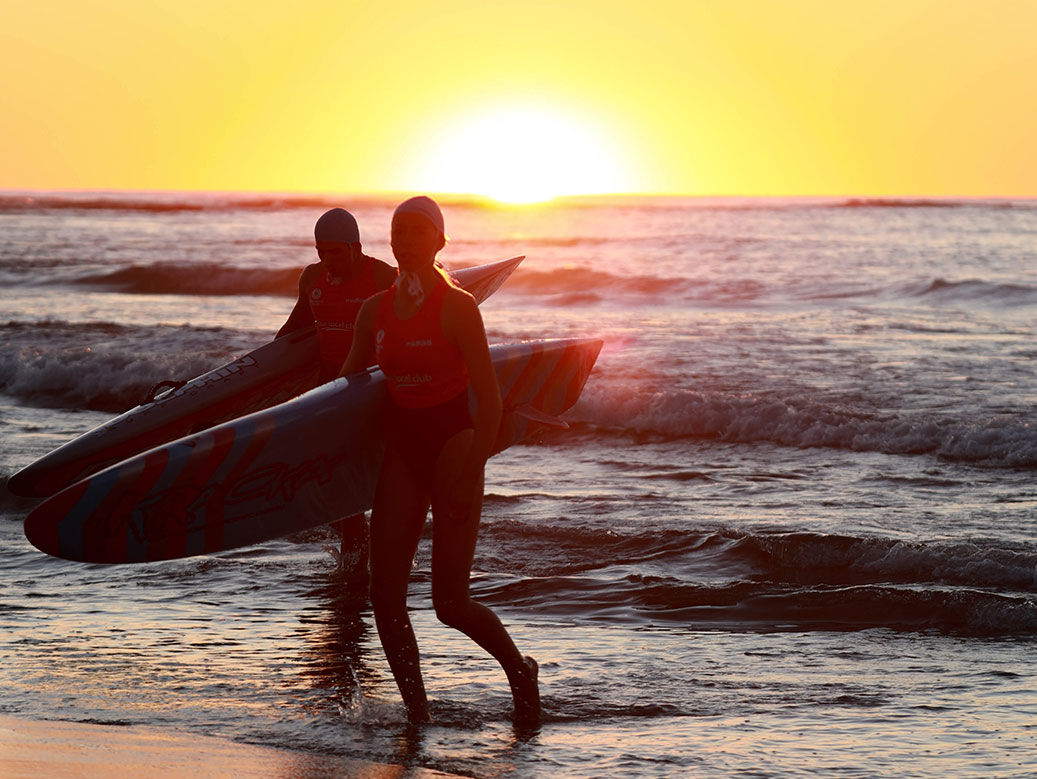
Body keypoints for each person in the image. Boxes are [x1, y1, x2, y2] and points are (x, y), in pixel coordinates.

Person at [338, 196, 540, 727]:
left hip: (455, 445)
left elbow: (490, 400)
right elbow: (343, 389)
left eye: (416, 230)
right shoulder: (374, 311)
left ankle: (520, 671)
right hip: (404, 448)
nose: (404, 239)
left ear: (439, 242)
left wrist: (472, 464)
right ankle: (417, 712)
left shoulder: (457, 307)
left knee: (449, 604)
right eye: (397, 230)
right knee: (384, 595)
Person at [278, 207, 396, 572]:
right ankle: (359, 558)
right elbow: (295, 328)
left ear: (355, 247)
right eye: (320, 251)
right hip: (327, 393)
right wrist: (257, 373)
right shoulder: (312, 278)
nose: (327, 261)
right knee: (323, 480)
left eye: (335, 253)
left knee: (350, 481)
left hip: (372, 391)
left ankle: (357, 564)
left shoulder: (382, 275)